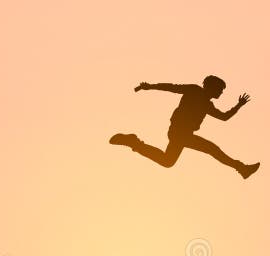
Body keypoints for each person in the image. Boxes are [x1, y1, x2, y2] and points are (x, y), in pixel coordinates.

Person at [109, 75, 260, 179]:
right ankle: (242, 168)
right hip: (179, 133)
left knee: (168, 161)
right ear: (212, 87)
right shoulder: (194, 90)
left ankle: (133, 143)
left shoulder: (208, 104)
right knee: (213, 149)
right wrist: (149, 86)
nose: (221, 92)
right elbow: (171, 87)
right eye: (220, 89)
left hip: (181, 134)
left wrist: (239, 105)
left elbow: (224, 117)